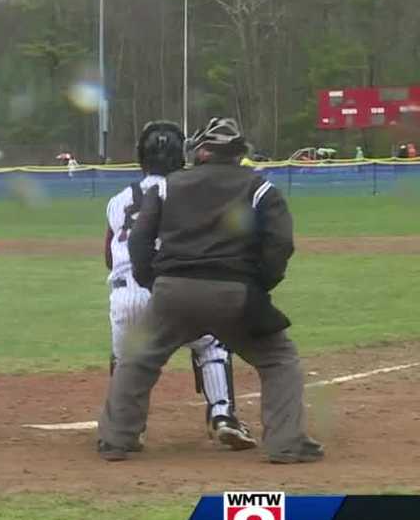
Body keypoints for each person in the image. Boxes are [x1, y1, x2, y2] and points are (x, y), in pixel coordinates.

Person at [97, 117, 324, 464]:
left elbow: (140, 240)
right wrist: (259, 284)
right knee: (279, 360)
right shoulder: (260, 188)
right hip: (235, 293)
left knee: (137, 359)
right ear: (238, 153)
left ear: (200, 152)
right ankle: (285, 442)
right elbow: (280, 243)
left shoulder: (168, 187)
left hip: (173, 291)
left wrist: (153, 282)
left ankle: (116, 439)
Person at [104, 121, 256, 451]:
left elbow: (108, 254)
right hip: (170, 289)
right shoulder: (189, 191)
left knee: (126, 359)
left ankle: (127, 429)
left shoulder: (118, 200)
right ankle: (222, 416)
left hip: (124, 293)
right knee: (212, 341)